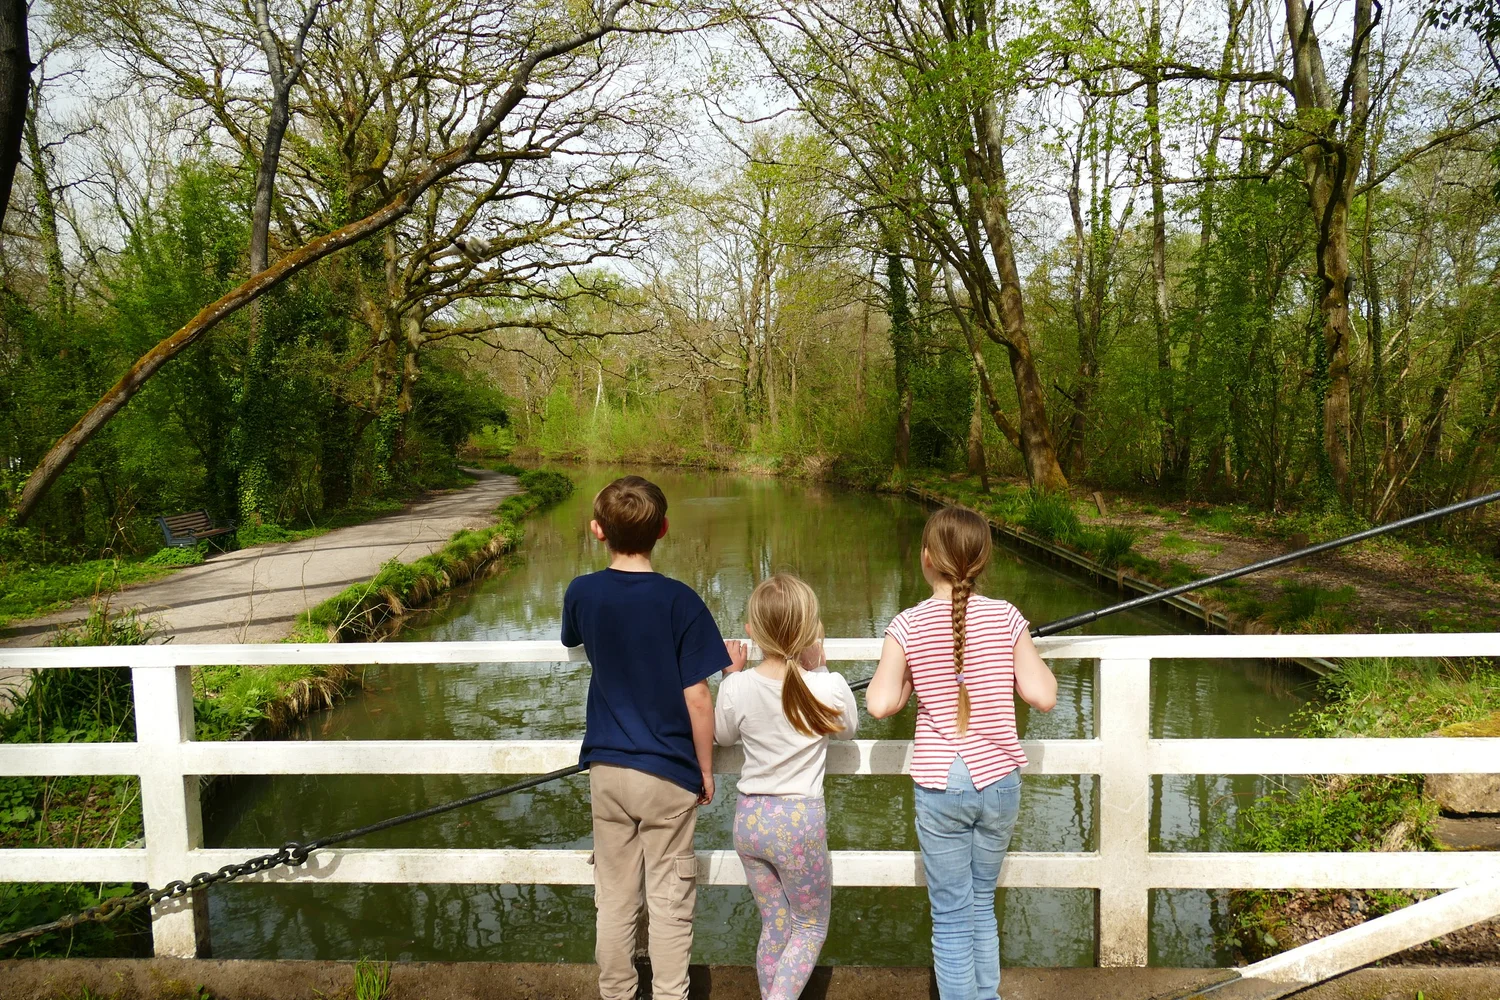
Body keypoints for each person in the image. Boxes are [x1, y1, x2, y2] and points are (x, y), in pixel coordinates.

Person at [865, 507, 1058, 1000]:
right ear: (983, 559)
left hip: (941, 783)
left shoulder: (905, 625)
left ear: (926, 559)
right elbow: (1043, 695)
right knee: (980, 905)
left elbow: (881, 703)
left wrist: (910, 679)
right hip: (998, 782)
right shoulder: (1006, 616)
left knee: (951, 914)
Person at [560, 475, 733, 1000]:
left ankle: (615, 993)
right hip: (668, 775)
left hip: (608, 771)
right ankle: (669, 995)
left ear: (597, 531)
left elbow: (574, 638)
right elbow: (699, 698)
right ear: (663, 529)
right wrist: (705, 769)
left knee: (614, 898)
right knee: (669, 902)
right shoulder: (681, 601)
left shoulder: (582, 592)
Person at [715, 573, 858, 1000]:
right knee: (810, 926)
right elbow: (848, 729)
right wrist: (823, 667)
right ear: (811, 632)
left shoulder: (737, 686)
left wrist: (730, 673)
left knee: (776, 923)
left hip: (750, 820)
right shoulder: (826, 686)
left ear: (752, 631)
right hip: (798, 823)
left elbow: (722, 736)